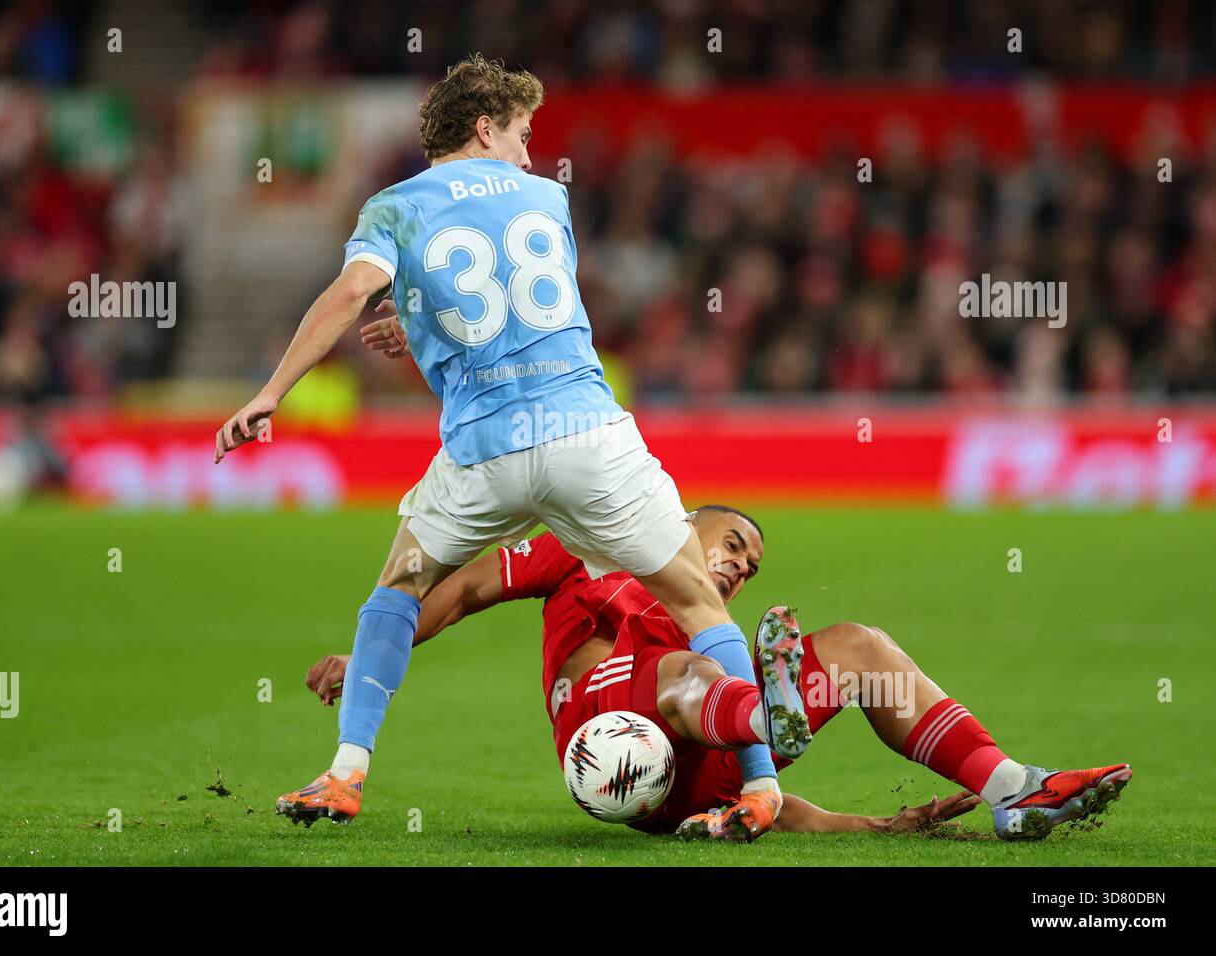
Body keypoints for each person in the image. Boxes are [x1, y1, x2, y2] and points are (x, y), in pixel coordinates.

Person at [213, 55, 780, 823]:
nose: (527, 151)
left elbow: (353, 292)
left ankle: (345, 775)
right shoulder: (548, 199)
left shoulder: (395, 206)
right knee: (699, 603)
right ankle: (760, 780)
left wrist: (272, 392)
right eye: (519, 133)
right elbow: (521, 311)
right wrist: (419, 324)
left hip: (488, 451)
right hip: (588, 436)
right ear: (484, 128)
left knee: (396, 592)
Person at [302, 506, 1131, 841]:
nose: (738, 566)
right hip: (603, 730)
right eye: (731, 544)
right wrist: (373, 654)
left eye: (751, 564)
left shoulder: (712, 620)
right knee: (694, 670)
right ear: (682, 517)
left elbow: (750, 797)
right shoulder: (591, 544)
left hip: (699, 772)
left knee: (861, 647)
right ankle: (764, 711)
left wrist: (869, 828)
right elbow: (466, 589)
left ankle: (1012, 789)